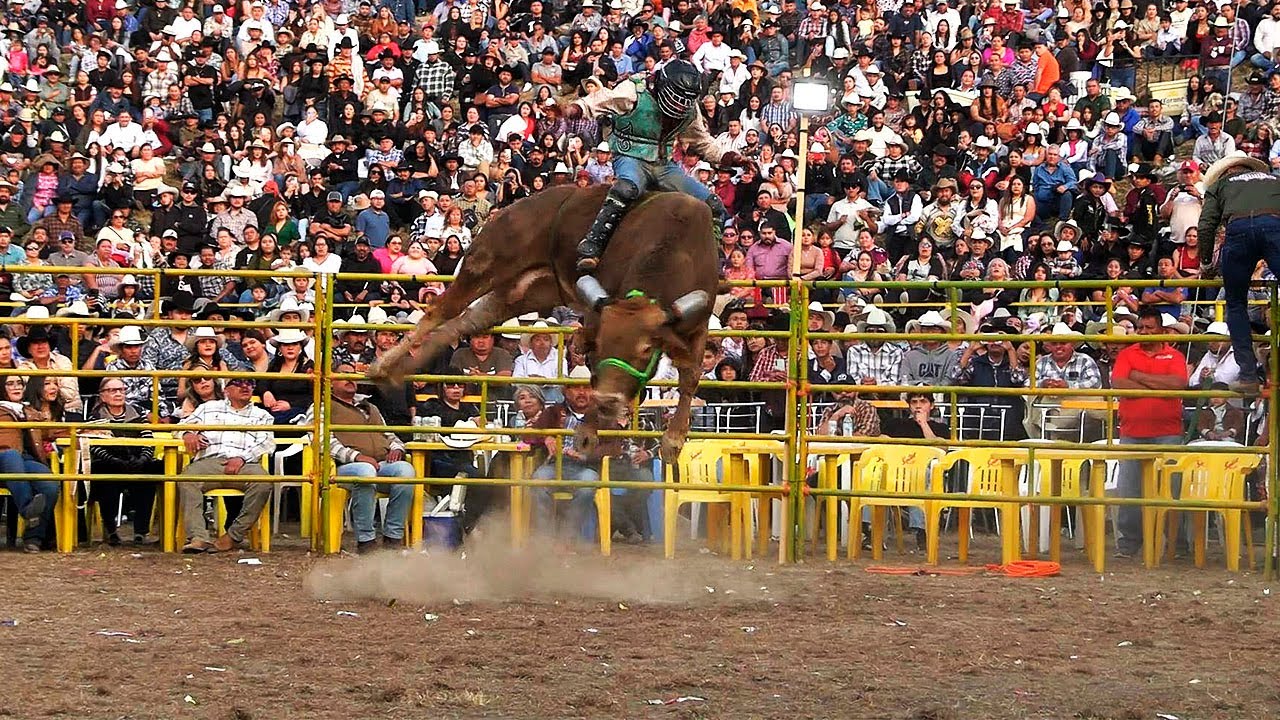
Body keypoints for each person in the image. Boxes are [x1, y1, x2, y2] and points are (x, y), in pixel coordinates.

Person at [564, 59, 750, 274]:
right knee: (627, 188)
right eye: (677, 98)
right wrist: (578, 108)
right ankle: (594, 243)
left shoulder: (689, 109)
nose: (680, 105)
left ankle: (710, 259)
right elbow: (604, 99)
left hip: (664, 164)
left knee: (713, 205)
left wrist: (732, 157)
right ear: (663, 85)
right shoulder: (634, 90)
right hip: (629, 155)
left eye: (686, 100)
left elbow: (702, 141)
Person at [298, 362, 416, 552]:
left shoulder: (371, 407)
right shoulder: (322, 406)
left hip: (382, 462)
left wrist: (397, 448)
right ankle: (366, 539)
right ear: (330, 381)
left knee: (406, 470)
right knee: (365, 471)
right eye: (344, 374)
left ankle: (393, 537)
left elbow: (389, 435)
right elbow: (320, 441)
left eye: (353, 374)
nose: (350, 378)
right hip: (343, 466)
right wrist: (356, 456)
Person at [1196, 152, 1280, 395]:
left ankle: (1248, 376)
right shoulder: (1273, 180)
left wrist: (1205, 262)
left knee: (1235, 303)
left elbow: (1206, 224)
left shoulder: (1220, 185)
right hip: (1274, 227)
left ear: (1225, 172)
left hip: (1238, 230)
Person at [1110, 308, 1188, 559]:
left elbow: (1178, 385)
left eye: (1149, 328)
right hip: (1133, 430)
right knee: (1129, 489)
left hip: (1168, 430)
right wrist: (1158, 384)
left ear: (1161, 330)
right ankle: (1130, 542)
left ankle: (1177, 543)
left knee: (1172, 490)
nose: (1143, 332)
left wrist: (1139, 377)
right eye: (1140, 328)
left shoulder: (1174, 355)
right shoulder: (1126, 353)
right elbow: (1120, 384)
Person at [176, 377, 276, 553]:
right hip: (210, 461)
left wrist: (242, 458)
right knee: (187, 479)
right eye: (238, 383)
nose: (245, 386)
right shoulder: (208, 408)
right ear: (226, 390)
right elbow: (179, 426)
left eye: (250, 383)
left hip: (246, 463)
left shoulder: (263, 415)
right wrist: (187, 434)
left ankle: (233, 536)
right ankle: (198, 537)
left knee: (263, 483)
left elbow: (267, 443)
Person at [85, 377, 162, 545]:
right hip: (109, 463)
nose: (118, 394)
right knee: (105, 478)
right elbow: (93, 445)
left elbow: (149, 440)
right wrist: (114, 460)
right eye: (113, 391)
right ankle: (110, 529)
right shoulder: (95, 417)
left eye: (121, 390)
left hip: (136, 461)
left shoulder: (137, 414)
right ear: (102, 396)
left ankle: (141, 531)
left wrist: (143, 458)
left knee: (148, 477)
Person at [0, 376, 59, 552]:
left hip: (25, 459)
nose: (16, 387)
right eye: (10, 384)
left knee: (49, 485)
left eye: (20, 383)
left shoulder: (29, 411)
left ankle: (33, 538)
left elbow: (51, 431)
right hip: (3, 456)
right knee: (10, 455)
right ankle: (27, 508)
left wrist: (85, 429)